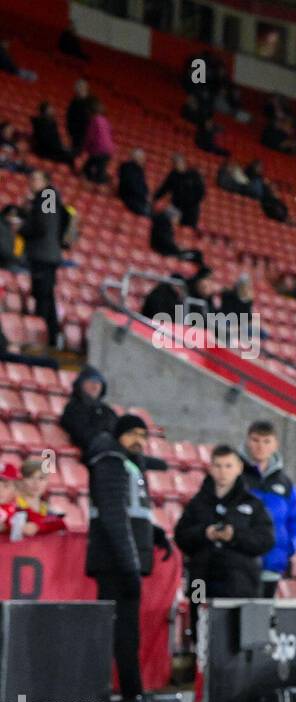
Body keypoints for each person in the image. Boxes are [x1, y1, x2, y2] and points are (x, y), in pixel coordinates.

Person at [85, 416, 172, 702]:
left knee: (126, 636)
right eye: (133, 433)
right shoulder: (110, 461)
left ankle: (129, 698)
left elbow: (132, 513)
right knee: (116, 636)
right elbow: (113, 516)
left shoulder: (130, 463)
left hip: (124, 559)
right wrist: (130, 564)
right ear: (119, 434)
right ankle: (118, 701)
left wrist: (154, 535)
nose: (139, 439)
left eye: (143, 434)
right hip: (115, 563)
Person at [174, 445, 275, 598]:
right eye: (218, 466)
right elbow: (181, 536)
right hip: (199, 578)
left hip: (240, 581)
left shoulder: (253, 504)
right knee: (196, 618)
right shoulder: (197, 503)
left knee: (235, 621)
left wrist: (234, 536)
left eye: (228, 466)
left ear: (239, 468)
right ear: (211, 468)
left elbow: (266, 540)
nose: (223, 471)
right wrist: (205, 533)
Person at [239, 422, 296, 598]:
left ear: (275, 445)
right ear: (247, 441)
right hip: (240, 564)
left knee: (265, 617)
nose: (260, 446)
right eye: (256, 440)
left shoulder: (285, 483)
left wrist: (291, 546)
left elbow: (295, 519)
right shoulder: (234, 475)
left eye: (267, 441)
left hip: (274, 561)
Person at [20, 170, 65, 347]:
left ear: (46, 181)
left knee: (43, 297)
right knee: (46, 297)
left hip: (43, 255)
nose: (31, 182)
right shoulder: (46, 198)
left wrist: (22, 229)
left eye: (35, 179)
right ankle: (51, 337)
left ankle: (43, 338)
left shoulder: (47, 194)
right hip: (47, 255)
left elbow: (42, 224)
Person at [59, 365, 117, 457]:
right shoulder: (74, 407)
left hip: (112, 450)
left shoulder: (107, 410)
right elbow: (81, 434)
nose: (95, 385)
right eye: (91, 381)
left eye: (99, 382)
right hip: (92, 454)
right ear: (81, 384)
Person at [15, 459, 67, 534]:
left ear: (47, 482)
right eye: (30, 477)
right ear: (21, 480)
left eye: (41, 478)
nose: (36, 483)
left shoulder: (51, 510)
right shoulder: (13, 505)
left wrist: (38, 527)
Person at [153, 153, 205, 229]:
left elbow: (201, 192)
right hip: (176, 206)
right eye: (175, 163)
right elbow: (164, 188)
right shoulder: (173, 175)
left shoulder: (194, 175)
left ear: (184, 162)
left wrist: (191, 202)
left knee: (186, 229)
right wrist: (154, 198)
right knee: (165, 223)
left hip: (190, 210)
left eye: (179, 162)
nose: (178, 165)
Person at [80, 98, 113, 183]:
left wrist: (84, 148)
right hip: (108, 151)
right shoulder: (105, 120)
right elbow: (110, 133)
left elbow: (90, 136)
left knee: (90, 171)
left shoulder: (94, 120)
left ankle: (101, 180)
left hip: (99, 150)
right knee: (95, 170)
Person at [117, 147, 149, 215]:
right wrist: (142, 195)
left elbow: (143, 184)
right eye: (142, 158)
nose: (143, 160)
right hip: (130, 197)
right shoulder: (126, 167)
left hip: (139, 198)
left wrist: (146, 194)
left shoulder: (140, 169)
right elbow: (130, 185)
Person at [66, 79, 93, 155]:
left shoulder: (90, 102)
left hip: (84, 136)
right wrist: (71, 131)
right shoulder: (74, 102)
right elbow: (69, 117)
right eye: (77, 87)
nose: (78, 89)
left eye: (81, 87)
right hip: (75, 135)